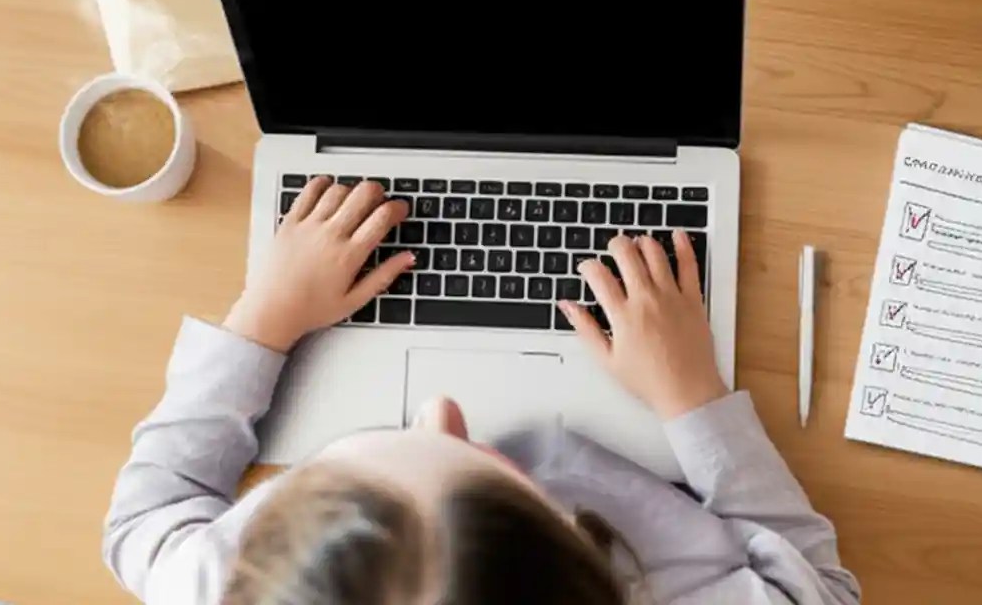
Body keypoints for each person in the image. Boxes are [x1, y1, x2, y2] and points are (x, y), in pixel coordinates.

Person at [102, 177, 860, 605]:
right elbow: (823, 589)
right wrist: (695, 401)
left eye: (384, 447)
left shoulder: (231, 588)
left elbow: (144, 519)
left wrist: (260, 323)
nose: (442, 410)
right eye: (474, 460)